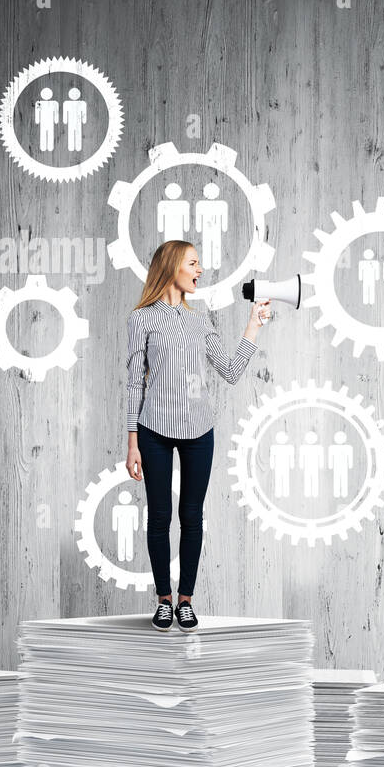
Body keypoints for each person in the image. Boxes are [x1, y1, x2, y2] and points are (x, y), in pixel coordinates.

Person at [125, 240, 272, 632]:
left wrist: (253, 325)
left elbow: (228, 369)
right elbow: (132, 384)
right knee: (159, 517)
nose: (200, 270)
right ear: (172, 266)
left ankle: (185, 600)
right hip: (153, 430)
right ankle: (163, 600)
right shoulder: (141, 319)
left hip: (198, 430)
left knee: (191, 516)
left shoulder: (200, 319)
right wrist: (132, 440)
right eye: (194, 263)